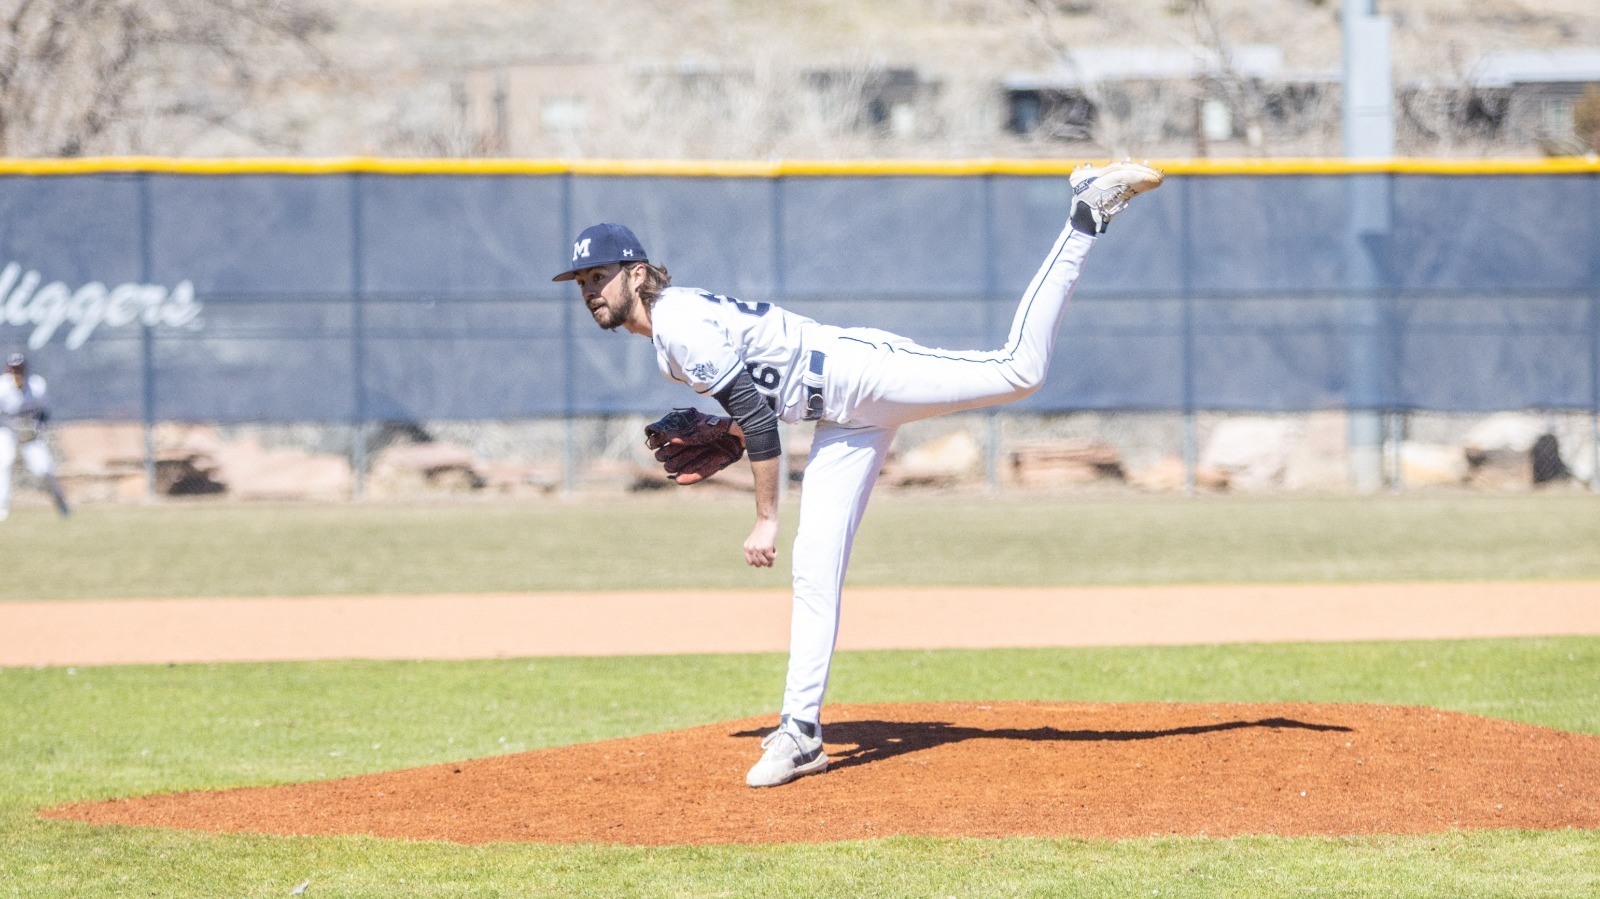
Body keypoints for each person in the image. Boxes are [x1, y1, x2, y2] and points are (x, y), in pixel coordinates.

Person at [553, 160, 1164, 787]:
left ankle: (1084, 214)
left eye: (599, 276)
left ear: (635, 273)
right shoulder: (669, 344)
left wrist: (765, 519)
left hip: (861, 374)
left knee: (1018, 371)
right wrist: (732, 431)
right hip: (840, 422)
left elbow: (761, 424)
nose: (589, 291)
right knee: (814, 566)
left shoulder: (678, 326)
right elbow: (761, 408)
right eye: (580, 282)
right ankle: (801, 731)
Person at [1, 353, 71, 521]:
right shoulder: (2, 387)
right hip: (7, 431)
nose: (17, 373)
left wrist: (34, 427)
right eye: (14, 370)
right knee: (3, 462)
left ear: (25, 370)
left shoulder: (36, 385)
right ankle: (2, 506)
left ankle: (58, 498)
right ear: (8, 370)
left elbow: (43, 413)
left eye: (20, 370)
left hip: (29, 433)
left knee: (43, 469)